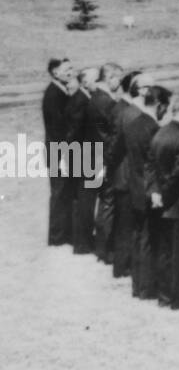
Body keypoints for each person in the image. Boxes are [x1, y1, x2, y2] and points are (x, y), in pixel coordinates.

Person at [148, 92, 179, 310]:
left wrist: (155, 194)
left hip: (160, 204)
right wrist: (166, 197)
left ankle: (165, 296)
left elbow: (149, 167)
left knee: (165, 253)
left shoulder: (160, 133)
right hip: (177, 205)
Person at [124, 80, 166, 299]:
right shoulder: (153, 128)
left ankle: (138, 285)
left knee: (139, 238)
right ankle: (148, 288)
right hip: (149, 190)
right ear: (159, 104)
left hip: (135, 189)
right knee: (150, 240)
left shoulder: (133, 124)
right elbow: (155, 165)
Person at [104, 70, 145, 278]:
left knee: (125, 223)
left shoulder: (123, 109)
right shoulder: (125, 111)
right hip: (126, 175)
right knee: (126, 223)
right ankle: (123, 266)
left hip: (123, 173)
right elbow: (115, 146)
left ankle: (124, 265)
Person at [89, 63, 124, 265]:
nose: (118, 83)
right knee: (109, 204)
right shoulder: (107, 102)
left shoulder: (95, 99)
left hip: (95, 157)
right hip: (105, 159)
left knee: (103, 203)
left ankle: (101, 247)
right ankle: (106, 248)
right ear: (110, 77)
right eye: (117, 78)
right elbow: (111, 136)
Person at [66, 67, 101, 254]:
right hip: (86, 156)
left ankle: (83, 240)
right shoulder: (82, 101)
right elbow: (74, 133)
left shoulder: (81, 98)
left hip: (84, 156)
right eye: (97, 79)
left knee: (85, 201)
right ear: (86, 82)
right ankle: (83, 243)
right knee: (86, 201)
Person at [42, 58, 75, 247]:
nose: (71, 71)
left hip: (59, 150)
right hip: (58, 151)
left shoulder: (60, 91)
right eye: (67, 69)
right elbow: (57, 128)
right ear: (55, 72)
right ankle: (56, 237)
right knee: (59, 192)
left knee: (63, 192)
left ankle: (63, 233)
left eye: (71, 68)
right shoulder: (54, 94)